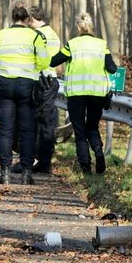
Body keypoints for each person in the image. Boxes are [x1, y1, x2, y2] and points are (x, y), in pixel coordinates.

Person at [0, 0, 50, 184]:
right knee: (27, 130)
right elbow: (44, 62)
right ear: (27, 18)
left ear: (12, 17)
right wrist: (31, 69)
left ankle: (5, 172)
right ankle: (26, 173)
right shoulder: (35, 37)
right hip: (26, 86)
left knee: (6, 129)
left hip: (4, 85)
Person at [50, 13, 117, 174]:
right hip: (97, 95)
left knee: (80, 132)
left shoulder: (72, 45)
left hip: (76, 95)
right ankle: (99, 153)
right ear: (91, 26)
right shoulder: (102, 45)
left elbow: (53, 62)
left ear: (78, 27)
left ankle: (86, 168)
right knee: (92, 127)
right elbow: (112, 68)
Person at [16, 5, 62, 175]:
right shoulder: (52, 34)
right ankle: (44, 161)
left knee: (33, 122)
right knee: (47, 123)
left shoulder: (37, 35)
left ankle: (32, 160)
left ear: (30, 19)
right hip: (51, 80)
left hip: (40, 81)